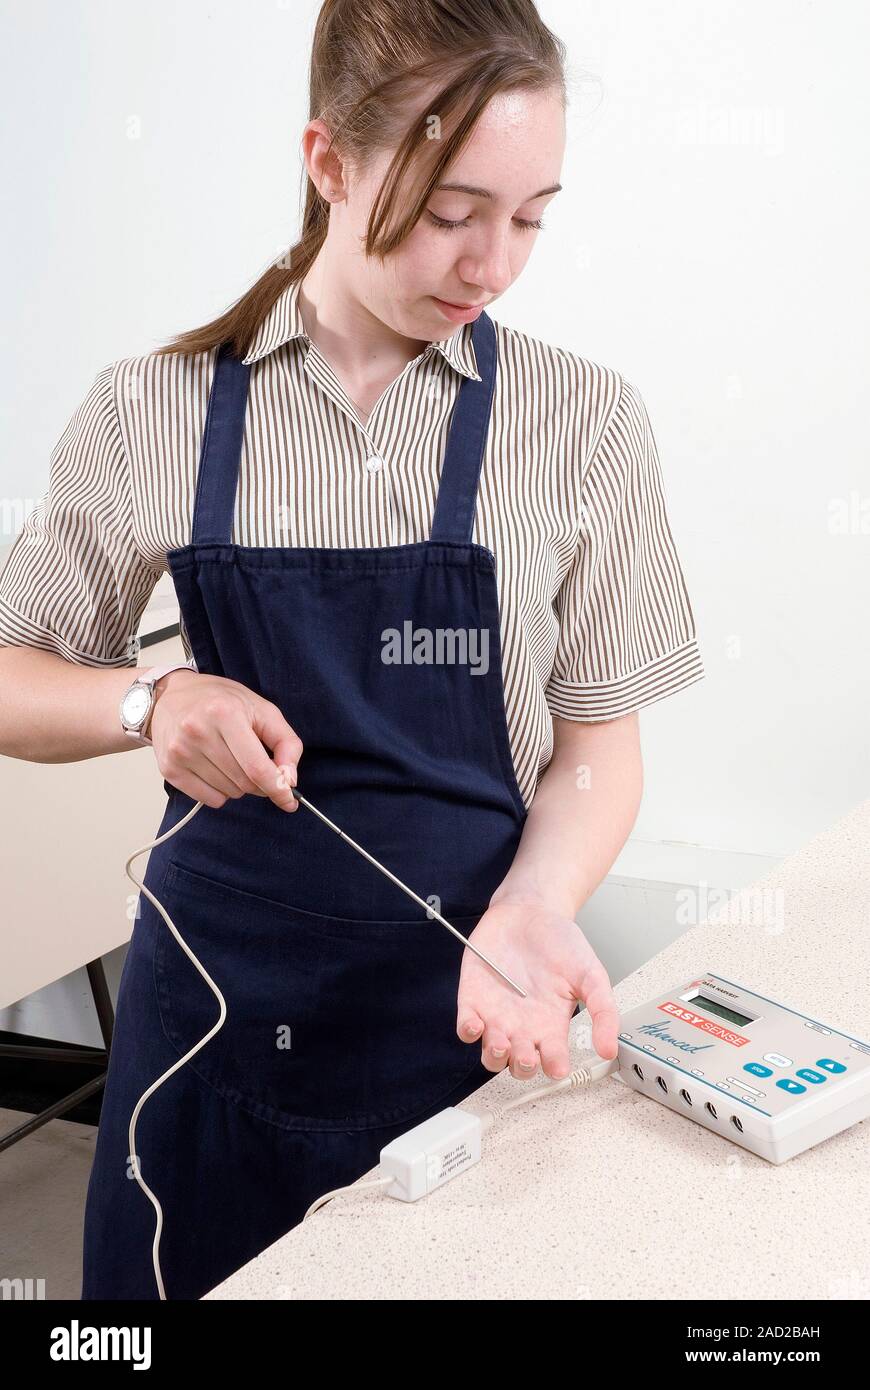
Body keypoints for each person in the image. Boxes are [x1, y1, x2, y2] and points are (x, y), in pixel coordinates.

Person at [0, 0, 705, 1300]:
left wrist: (537, 905)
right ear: (328, 162)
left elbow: (599, 741)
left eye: (532, 214)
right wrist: (148, 699)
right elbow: (11, 677)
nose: (493, 262)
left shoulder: (584, 426)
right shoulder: (153, 411)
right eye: (450, 210)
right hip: (204, 1031)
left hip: (465, 1010)